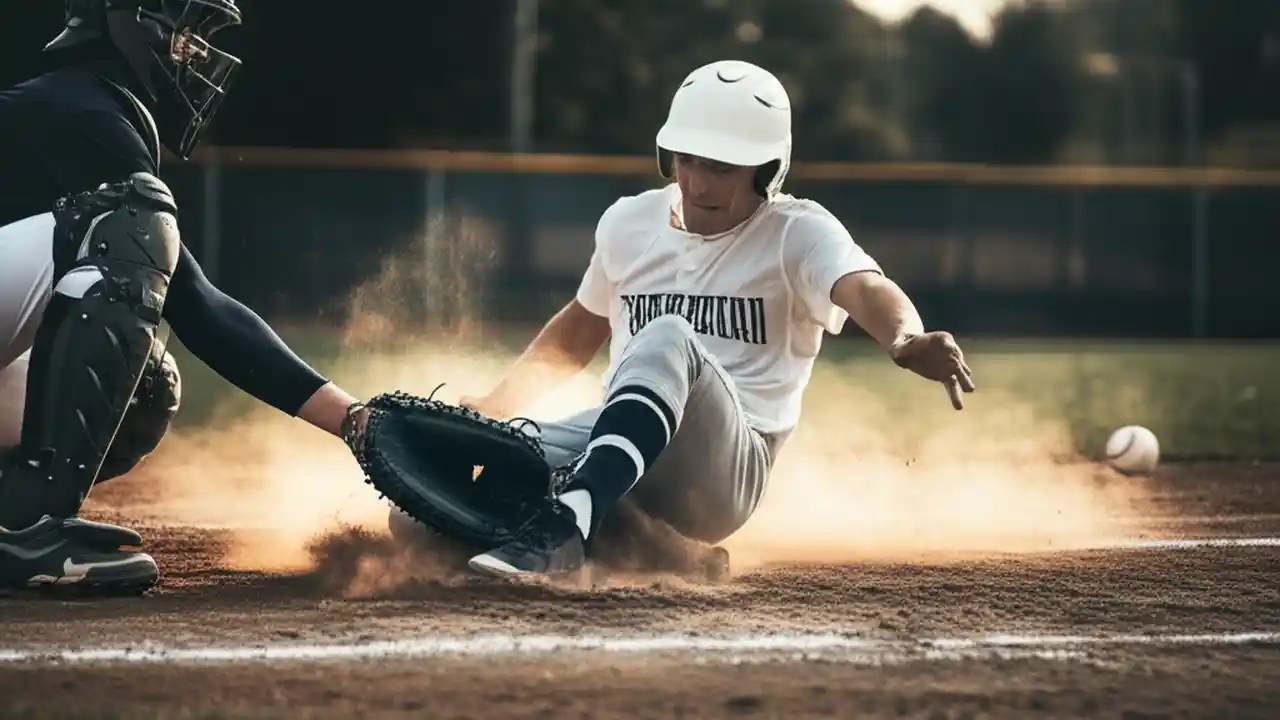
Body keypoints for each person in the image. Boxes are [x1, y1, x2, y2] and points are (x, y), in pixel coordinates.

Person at [460, 60, 976, 576]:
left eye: (722, 168)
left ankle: (566, 530)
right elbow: (577, 330)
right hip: (620, 440)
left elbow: (864, 287)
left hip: (724, 470)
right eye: (688, 161)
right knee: (466, 469)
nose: (700, 184)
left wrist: (904, 337)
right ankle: (649, 546)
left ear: (768, 170)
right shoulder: (629, 222)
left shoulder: (797, 233)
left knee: (667, 338)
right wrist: (490, 409)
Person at [0, 0, 364, 592]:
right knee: (133, 225)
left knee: (143, 387)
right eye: (187, 32)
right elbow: (198, 306)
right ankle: (31, 530)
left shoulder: (81, 107)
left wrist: (353, 420)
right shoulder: (84, 110)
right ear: (130, 24)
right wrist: (355, 422)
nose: (195, 51)